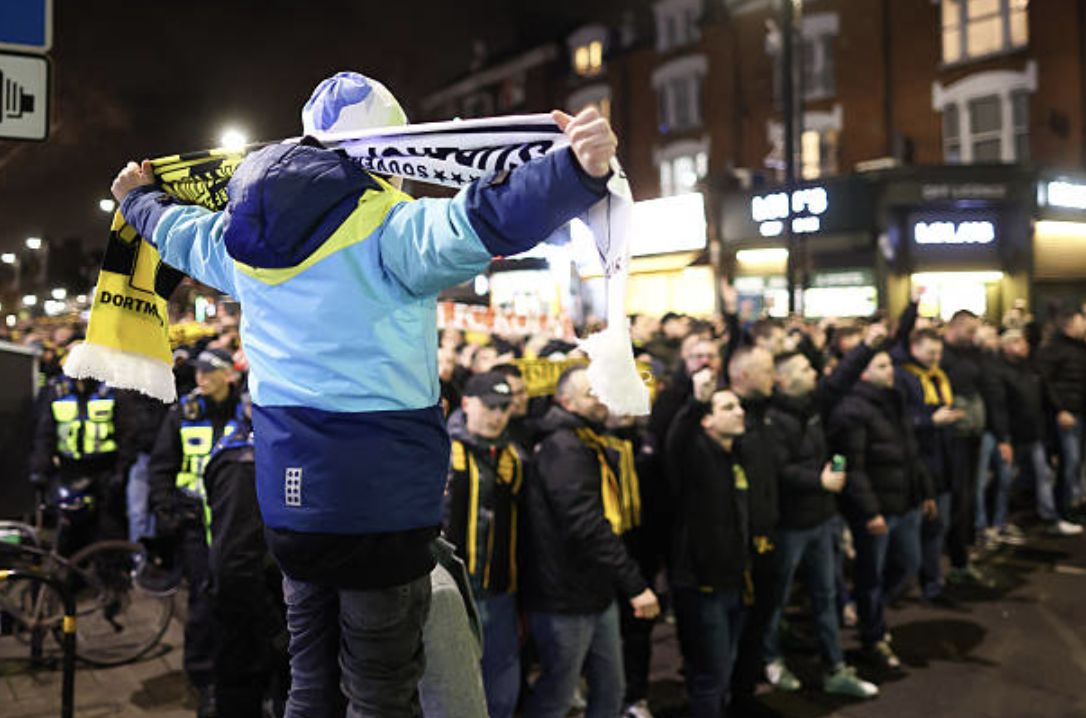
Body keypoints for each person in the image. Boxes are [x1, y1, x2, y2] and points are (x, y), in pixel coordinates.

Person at [112, 70, 619, 716]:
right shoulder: (388, 227)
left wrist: (137, 200)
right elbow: (485, 218)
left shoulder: (242, 234)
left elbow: (178, 231)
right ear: (386, 151)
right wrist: (574, 172)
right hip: (380, 508)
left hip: (289, 508)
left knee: (310, 682)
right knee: (381, 692)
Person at [521, 365, 659, 718]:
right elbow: (586, 524)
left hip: (593, 588)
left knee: (610, 687)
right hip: (566, 595)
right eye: (589, 393)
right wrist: (634, 584)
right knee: (558, 693)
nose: (600, 399)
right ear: (564, 400)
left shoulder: (587, 439)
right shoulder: (565, 447)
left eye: (601, 390)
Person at [761, 337, 881, 698]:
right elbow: (778, 470)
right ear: (782, 380)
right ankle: (771, 659)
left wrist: (867, 346)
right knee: (776, 599)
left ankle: (835, 668)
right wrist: (819, 480)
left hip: (821, 518)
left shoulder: (812, 405)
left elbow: (841, 378)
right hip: (788, 525)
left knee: (827, 596)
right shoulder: (770, 418)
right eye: (803, 369)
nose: (813, 373)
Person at [147, 347, 244, 717]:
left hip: (237, 526)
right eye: (198, 371)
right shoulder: (183, 413)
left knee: (242, 601)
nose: (200, 378)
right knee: (203, 603)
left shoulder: (247, 412)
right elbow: (162, 466)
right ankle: (204, 679)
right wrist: (166, 511)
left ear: (229, 376)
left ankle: (241, 676)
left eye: (209, 371)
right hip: (194, 525)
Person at [828, 350, 935, 670]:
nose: (891, 370)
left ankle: (864, 611)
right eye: (882, 366)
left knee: (907, 564)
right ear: (862, 372)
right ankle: (872, 635)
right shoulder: (851, 410)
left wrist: (924, 490)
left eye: (889, 364)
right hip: (878, 507)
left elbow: (910, 452)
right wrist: (870, 511)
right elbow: (854, 466)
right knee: (870, 574)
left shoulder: (894, 400)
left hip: (905, 501)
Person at [667, 370, 750, 718]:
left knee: (724, 669)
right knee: (709, 674)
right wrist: (697, 400)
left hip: (732, 579)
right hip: (701, 584)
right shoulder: (693, 456)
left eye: (739, 405)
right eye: (728, 407)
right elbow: (676, 439)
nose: (739, 411)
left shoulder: (734, 455)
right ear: (707, 421)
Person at [444, 371, 525, 718]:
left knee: (502, 692)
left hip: (498, 590)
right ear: (466, 404)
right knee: (451, 694)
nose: (497, 415)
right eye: (490, 406)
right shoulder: (443, 451)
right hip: (451, 595)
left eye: (504, 408)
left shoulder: (512, 456)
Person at [723, 347, 780, 716]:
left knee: (757, 625)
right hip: (735, 547)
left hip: (767, 539)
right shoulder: (726, 426)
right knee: (731, 633)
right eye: (767, 371)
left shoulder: (762, 416)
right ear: (743, 376)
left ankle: (744, 696)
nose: (774, 377)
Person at [895, 328, 963, 605]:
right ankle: (901, 588)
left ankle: (932, 582)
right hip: (920, 463)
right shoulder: (903, 377)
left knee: (937, 527)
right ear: (913, 348)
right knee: (916, 534)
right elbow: (901, 421)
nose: (935, 358)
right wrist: (930, 422)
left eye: (938, 353)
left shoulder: (937, 377)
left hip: (942, 460)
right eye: (930, 352)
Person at [997, 330, 1082, 536]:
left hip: (1034, 433)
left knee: (1042, 475)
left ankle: (1049, 517)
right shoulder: (1001, 371)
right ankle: (997, 522)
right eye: (1017, 342)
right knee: (1005, 479)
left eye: (1023, 340)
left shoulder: (1031, 368)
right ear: (1006, 347)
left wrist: (1059, 410)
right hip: (1012, 434)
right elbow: (998, 407)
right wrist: (1002, 437)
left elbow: (1046, 393)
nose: (1024, 345)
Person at [30, 373, 125, 554]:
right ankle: (70, 574)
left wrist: (120, 472)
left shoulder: (113, 390)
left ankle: (105, 575)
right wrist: (40, 470)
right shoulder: (58, 392)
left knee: (107, 528)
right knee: (70, 528)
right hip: (69, 470)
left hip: (104, 469)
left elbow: (127, 434)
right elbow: (45, 434)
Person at [1035, 310, 1086, 518]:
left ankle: (1073, 504)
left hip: (1079, 411)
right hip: (1067, 413)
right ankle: (1065, 508)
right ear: (1071, 325)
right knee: (1069, 462)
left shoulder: (1079, 348)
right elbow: (1046, 382)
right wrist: (1060, 409)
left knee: (1076, 463)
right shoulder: (1055, 350)